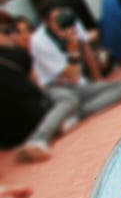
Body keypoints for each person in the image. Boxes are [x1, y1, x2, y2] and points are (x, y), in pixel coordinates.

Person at [29, 0, 121, 123]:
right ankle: (73, 112)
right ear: (46, 22)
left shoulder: (71, 22)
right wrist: (72, 48)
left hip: (79, 85)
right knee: (71, 99)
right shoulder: (38, 41)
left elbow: (87, 51)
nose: (61, 21)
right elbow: (71, 76)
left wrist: (99, 81)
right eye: (56, 19)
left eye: (63, 15)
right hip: (56, 88)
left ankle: (81, 112)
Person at [0, 11, 79, 162]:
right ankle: (40, 138)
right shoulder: (18, 55)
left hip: (6, 140)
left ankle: (65, 120)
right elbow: (37, 88)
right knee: (70, 100)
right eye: (7, 32)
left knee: (72, 101)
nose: (13, 36)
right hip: (33, 122)